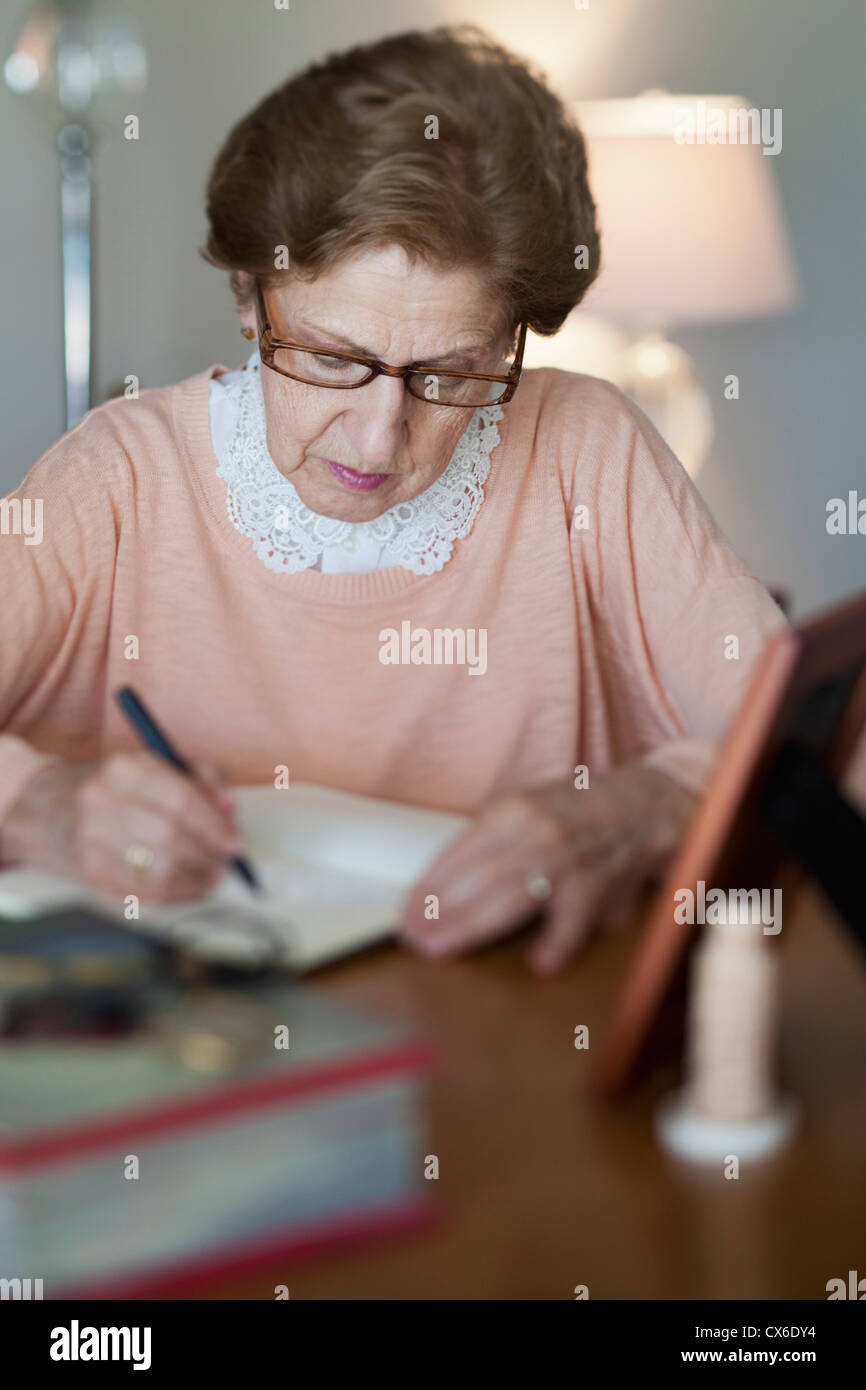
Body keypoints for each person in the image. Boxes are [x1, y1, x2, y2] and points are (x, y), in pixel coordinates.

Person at [0, 26, 791, 972]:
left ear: (511, 339)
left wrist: (648, 810)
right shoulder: (122, 477)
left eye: (453, 373)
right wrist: (40, 804)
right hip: (191, 1047)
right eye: (331, 360)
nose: (378, 439)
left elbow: (807, 752)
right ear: (252, 299)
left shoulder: (588, 449)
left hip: (502, 1032)